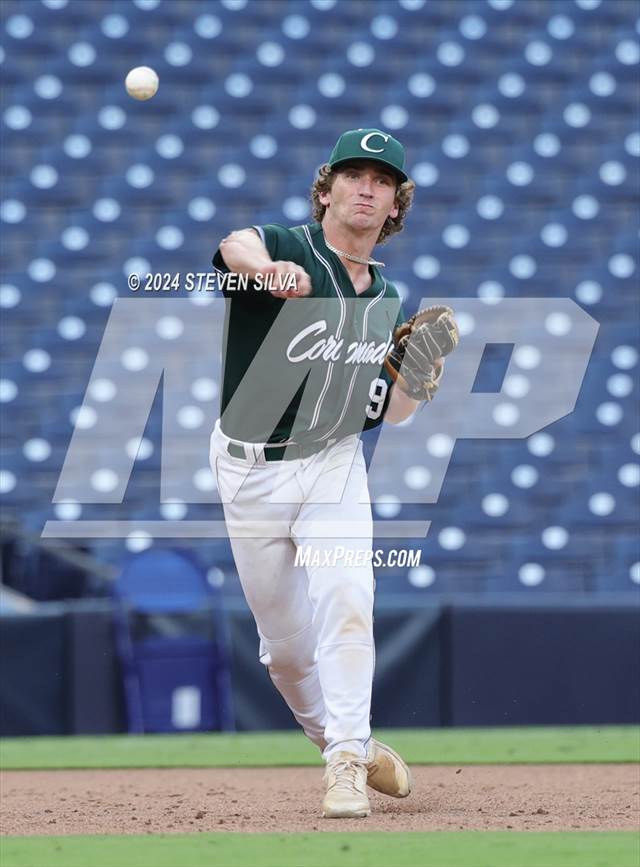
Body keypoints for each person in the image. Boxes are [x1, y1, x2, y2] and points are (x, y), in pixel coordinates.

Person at [210, 129, 442, 818]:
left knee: (346, 595)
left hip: (332, 461)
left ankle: (344, 760)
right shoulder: (288, 246)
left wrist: (418, 375)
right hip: (249, 469)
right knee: (283, 652)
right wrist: (266, 270)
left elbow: (388, 412)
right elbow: (233, 244)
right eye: (353, 174)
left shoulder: (388, 298)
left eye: (382, 180)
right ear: (326, 189)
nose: (367, 187)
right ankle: (348, 744)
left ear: (396, 205)